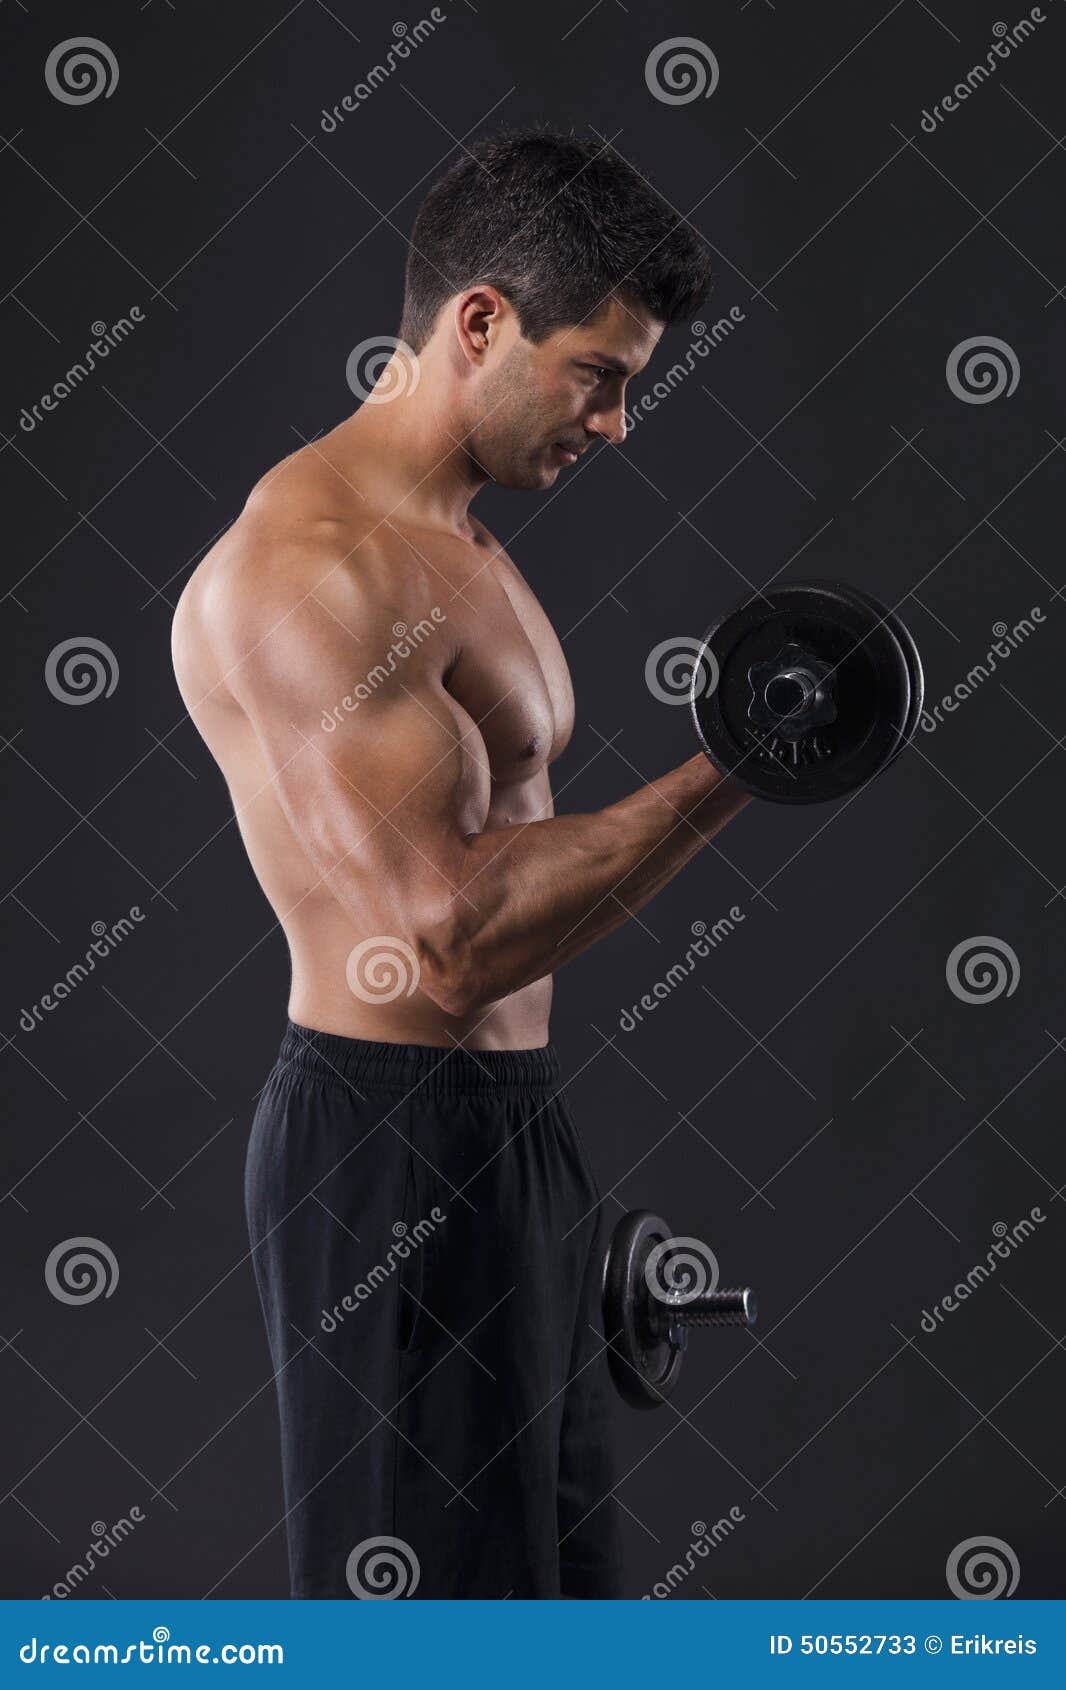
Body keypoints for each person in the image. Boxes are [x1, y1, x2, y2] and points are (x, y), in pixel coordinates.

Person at [171, 127, 749, 1600]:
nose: (617, 424)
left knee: (553, 1606)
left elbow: (501, 867)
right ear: (480, 322)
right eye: (598, 376)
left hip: (504, 1130)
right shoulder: (312, 567)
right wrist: (736, 768)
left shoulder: (460, 541)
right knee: (425, 1630)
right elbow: (449, 938)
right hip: (390, 1148)